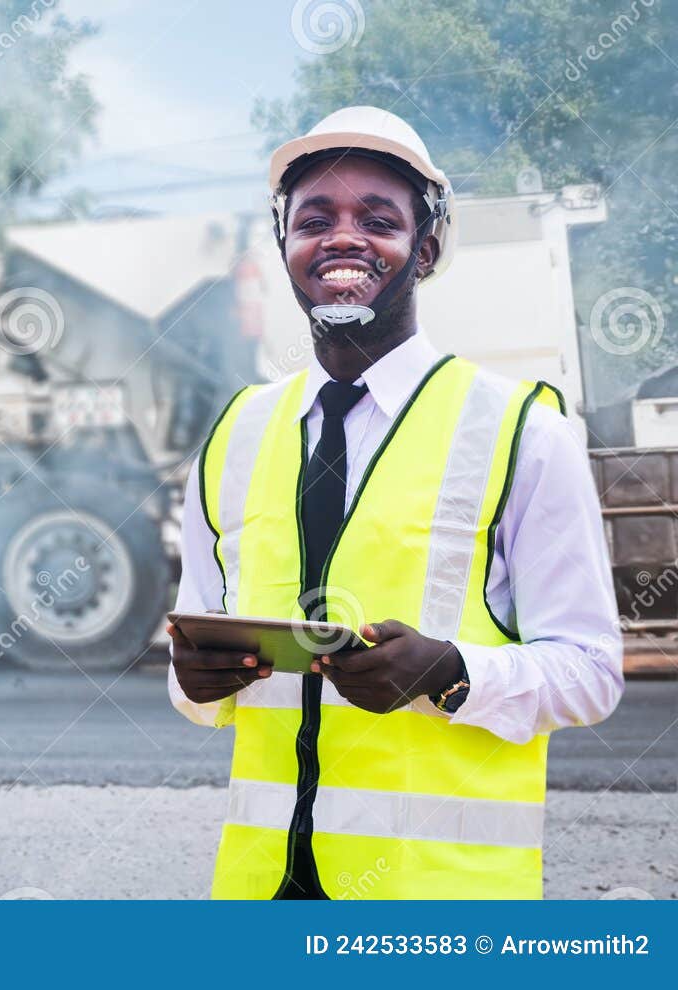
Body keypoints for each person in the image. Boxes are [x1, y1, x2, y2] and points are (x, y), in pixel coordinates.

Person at [168, 106, 623, 899]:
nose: (343, 238)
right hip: (258, 896)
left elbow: (590, 672)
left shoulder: (523, 431)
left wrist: (449, 675)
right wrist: (194, 684)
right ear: (287, 248)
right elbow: (192, 675)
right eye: (315, 220)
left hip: (435, 907)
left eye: (378, 220)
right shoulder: (235, 434)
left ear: (428, 247)